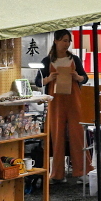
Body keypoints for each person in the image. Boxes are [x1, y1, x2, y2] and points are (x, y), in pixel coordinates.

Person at [35, 30, 88, 184]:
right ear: (56, 41)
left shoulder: (75, 59)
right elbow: (38, 81)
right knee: (56, 135)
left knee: (77, 134)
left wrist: (78, 77)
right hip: (55, 101)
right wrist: (49, 78)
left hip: (74, 100)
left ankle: (81, 170)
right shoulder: (47, 61)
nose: (67, 44)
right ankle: (57, 173)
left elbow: (85, 77)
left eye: (68, 41)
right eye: (64, 40)